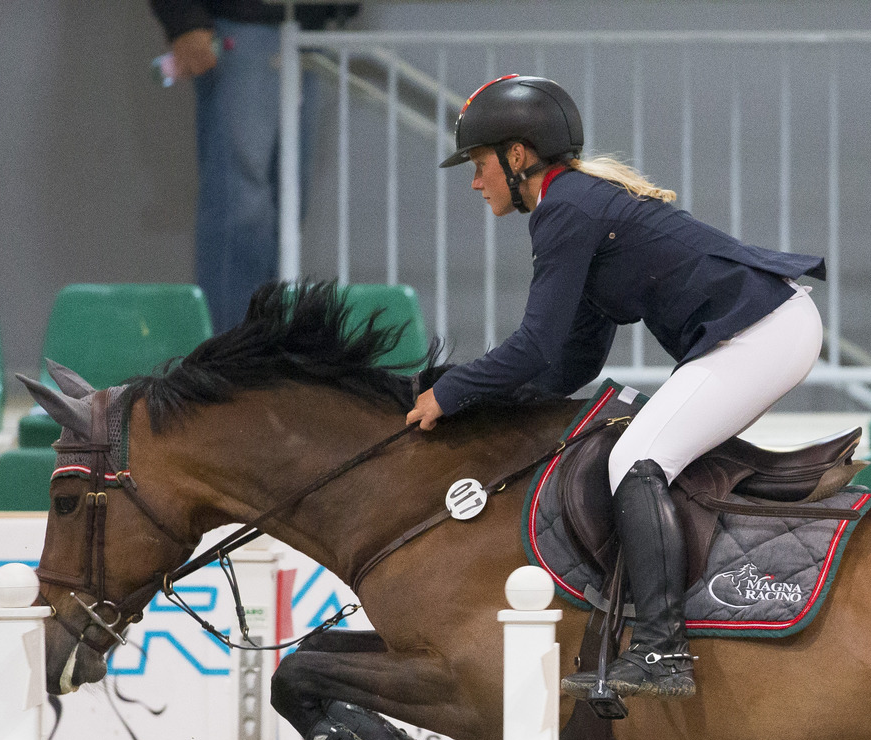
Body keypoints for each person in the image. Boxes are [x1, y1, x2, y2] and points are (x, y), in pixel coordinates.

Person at [405, 75, 827, 701]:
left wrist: (451, 392)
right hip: (766, 329)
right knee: (645, 454)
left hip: (762, 334)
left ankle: (662, 651)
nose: (474, 181)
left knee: (637, 458)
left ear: (516, 156)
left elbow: (534, 345)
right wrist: (487, 402)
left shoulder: (566, 209)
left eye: (478, 163)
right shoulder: (577, 205)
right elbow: (571, 361)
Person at [149, 3, 340, 332]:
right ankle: (233, 351)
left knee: (287, 207)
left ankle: (268, 346)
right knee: (239, 205)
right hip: (241, 20)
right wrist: (184, 18)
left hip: (308, 24)